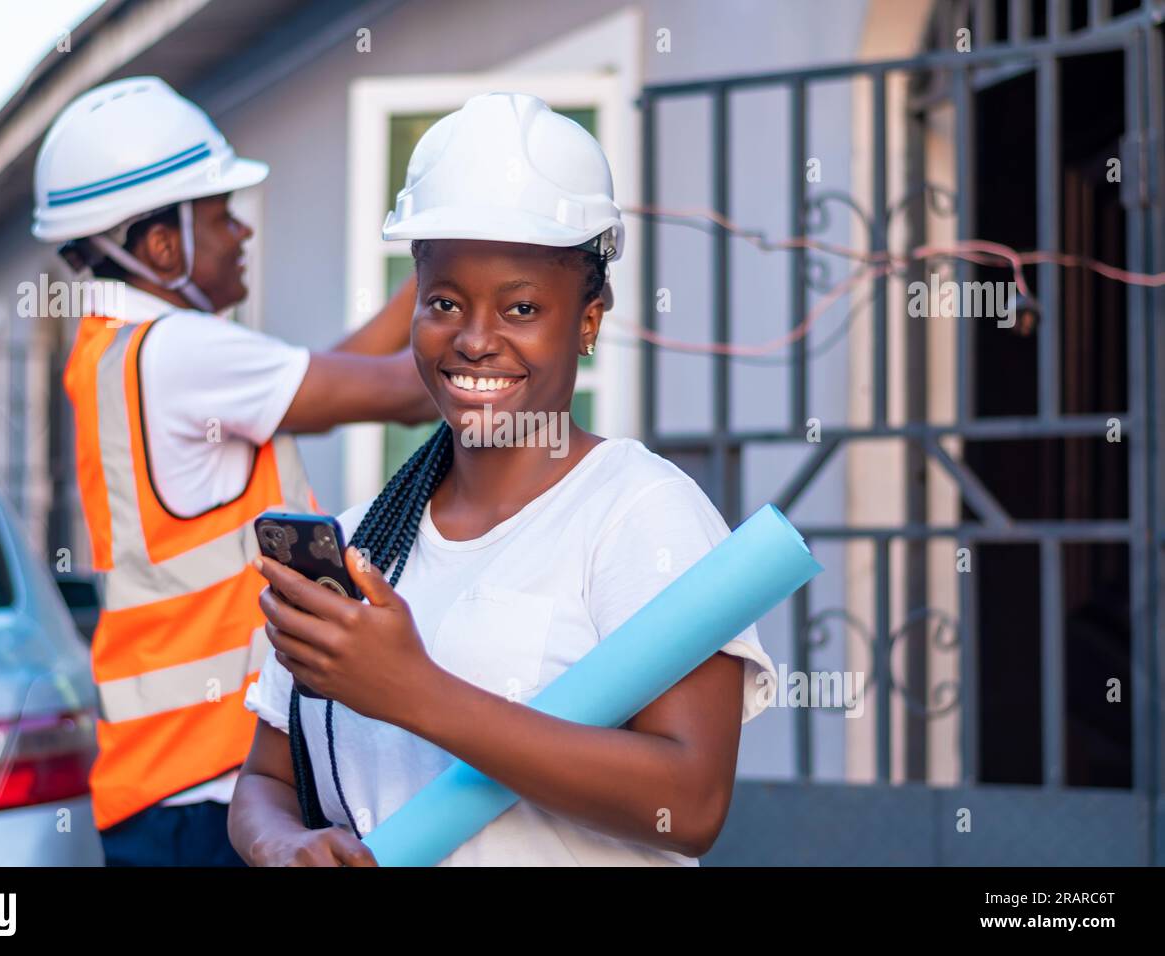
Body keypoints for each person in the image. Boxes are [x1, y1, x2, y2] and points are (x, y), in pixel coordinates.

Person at [228, 92, 778, 867]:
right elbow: (264, 779)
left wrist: (415, 692)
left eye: (521, 307)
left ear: (587, 321)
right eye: (444, 303)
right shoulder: (362, 544)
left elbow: (687, 805)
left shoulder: (638, 513)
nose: (475, 340)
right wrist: (285, 846)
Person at [34, 76, 435, 865]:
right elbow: (404, 391)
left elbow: (336, 369)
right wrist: (484, 271)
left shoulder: (121, 348)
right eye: (220, 216)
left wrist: (438, 268)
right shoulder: (184, 352)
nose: (241, 232)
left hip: (165, 785)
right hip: (213, 787)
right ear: (161, 246)